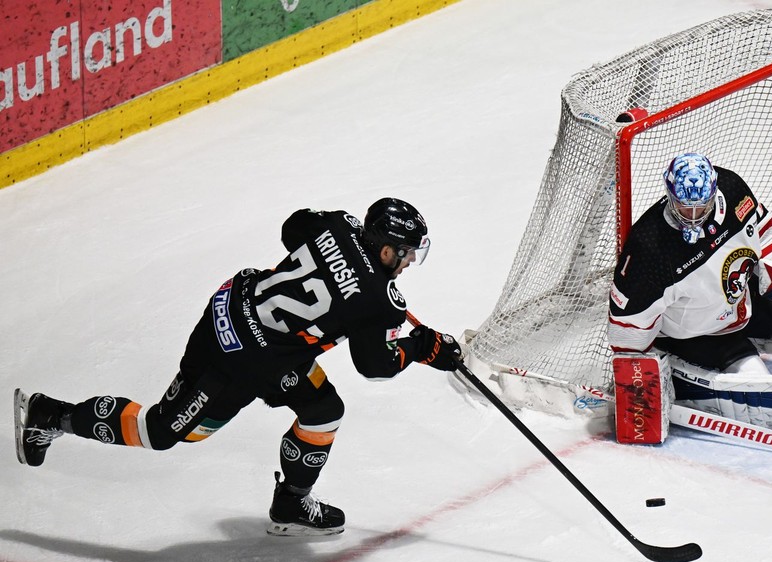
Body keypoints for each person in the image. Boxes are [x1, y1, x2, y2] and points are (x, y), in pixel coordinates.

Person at [13, 198, 463, 536]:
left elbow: (293, 228)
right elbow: (375, 365)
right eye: (406, 253)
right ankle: (51, 415)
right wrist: (422, 348)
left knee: (324, 410)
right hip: (238, 356)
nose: (409, 262)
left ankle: (291, 503)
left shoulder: (341, 225)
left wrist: (335, 256)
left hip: (241, 312)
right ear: (385, 250)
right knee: (162, 431)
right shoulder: (378, 302)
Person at [606, 152, 772, 444]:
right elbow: (627, 327)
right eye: (685, 207)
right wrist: (641, 372)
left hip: (741, 300)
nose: (694, 215)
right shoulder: (650, 248)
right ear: (669, 195)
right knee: (747, 364)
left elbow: (765, 233)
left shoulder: (732, 189)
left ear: (714, 190)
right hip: (697, 333)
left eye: (701, 206)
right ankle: (736, 364)